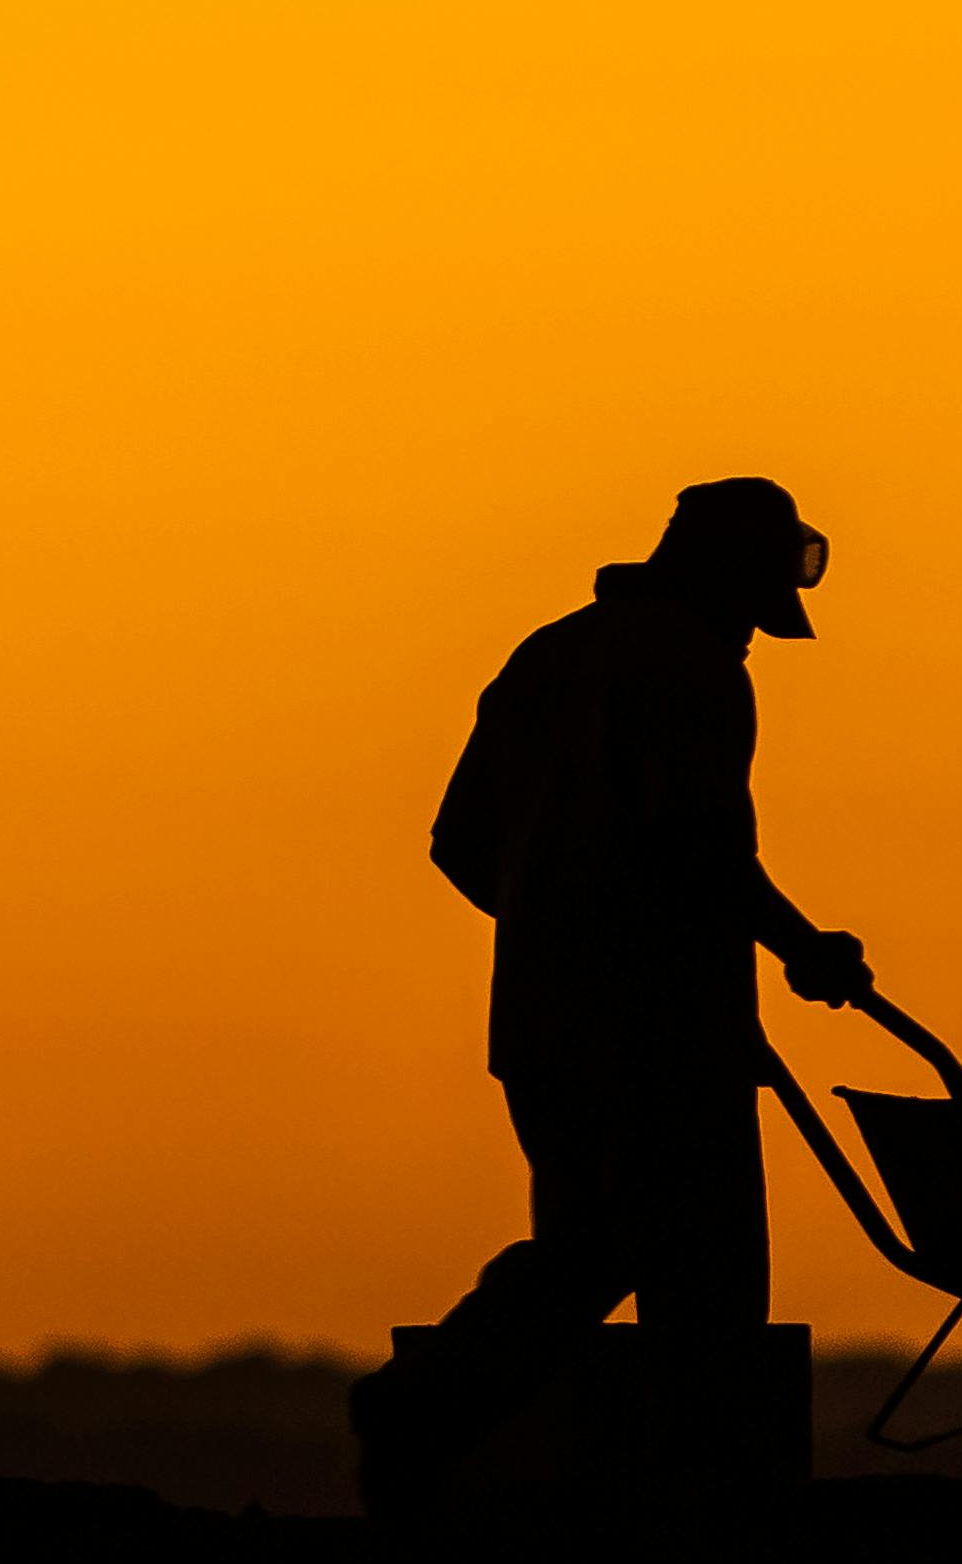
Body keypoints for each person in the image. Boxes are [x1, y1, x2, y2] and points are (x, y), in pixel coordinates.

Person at [351, 477, 872, 1510]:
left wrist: (567, 932)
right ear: (724, 581)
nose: (754, 638)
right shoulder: (692, 669)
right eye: (754, 613)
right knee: (702, 1281)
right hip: (668, 1038)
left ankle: (470, 1430)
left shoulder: (550, 655)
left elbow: (461, 847)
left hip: (545, 1025)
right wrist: (799, 948)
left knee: (591, 1241)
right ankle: (682, 1500)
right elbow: (702, 844)